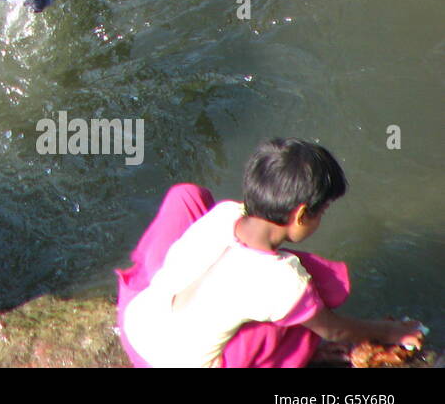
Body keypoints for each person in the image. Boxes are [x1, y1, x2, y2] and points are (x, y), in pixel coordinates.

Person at [117, 138, 424, 368]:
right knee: (303, 313)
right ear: (302, 215)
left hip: (136, 325)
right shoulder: (283, 278)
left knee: (188, 196)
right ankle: (309, 351)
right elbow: (335, 329)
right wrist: (389, 331)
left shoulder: (225, 213)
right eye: (323, 212)